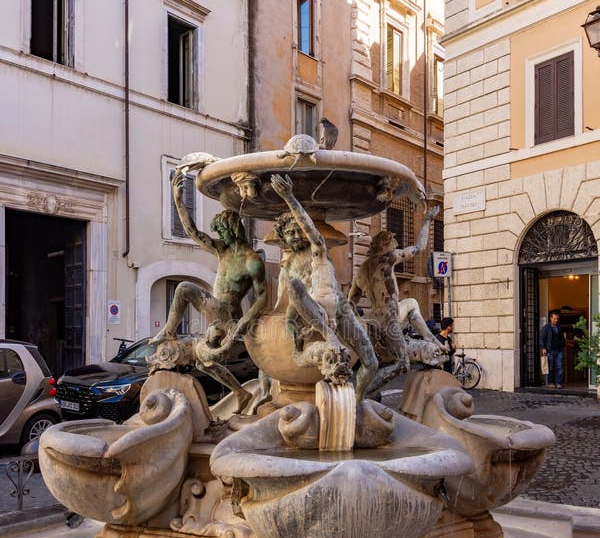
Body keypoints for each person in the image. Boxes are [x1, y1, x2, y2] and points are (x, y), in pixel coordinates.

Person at [150, 167, 267, 413]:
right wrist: (179, 201)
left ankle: (167, 331)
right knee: (204, 362)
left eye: (223, 232)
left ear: (233, 229)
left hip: (226, 314)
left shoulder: (251, 260)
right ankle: (241, 392)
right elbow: (193, 233)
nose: (220, 236)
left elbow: (263, 296)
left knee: (183, 288)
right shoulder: (222, 251)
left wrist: (244, 321)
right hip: (214, 307)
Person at [271, 173, 377, 399]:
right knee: (294, 284)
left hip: (341, 311)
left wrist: (289, 197)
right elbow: (293, 295)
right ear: (283, 238)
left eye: (297, 230)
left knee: (372, 363)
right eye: (289, 233)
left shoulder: (317, 250)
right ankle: (326, 337)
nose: (295, 235)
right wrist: (290, 322)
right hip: (315, 312)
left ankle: (354, 402)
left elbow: (312, 231)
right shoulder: (288, 264)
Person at [347, 207, 446, 394]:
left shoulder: (360, 272)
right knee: (402, 363)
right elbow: (418, 248)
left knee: (411, 305)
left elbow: (349, 304)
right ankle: (363, 391)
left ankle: (429, 338)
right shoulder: (387, 259)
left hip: (375, 324)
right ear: (384, 244)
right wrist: (426, 221)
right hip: (390, 321)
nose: (396, 243)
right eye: (393, 241)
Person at [539, 310, 565, 388]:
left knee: (559, 367)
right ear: (550, 318)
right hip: (550, 350)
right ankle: (550, 382)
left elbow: (562, 338)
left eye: (557, 319)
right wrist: (543, 348)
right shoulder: (546, 327)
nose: (556, 320)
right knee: (550, 367)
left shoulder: (559, 327)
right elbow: (541, 339)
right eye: (554, 318)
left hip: (559, 350)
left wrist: (563, 346)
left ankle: (558, 383)